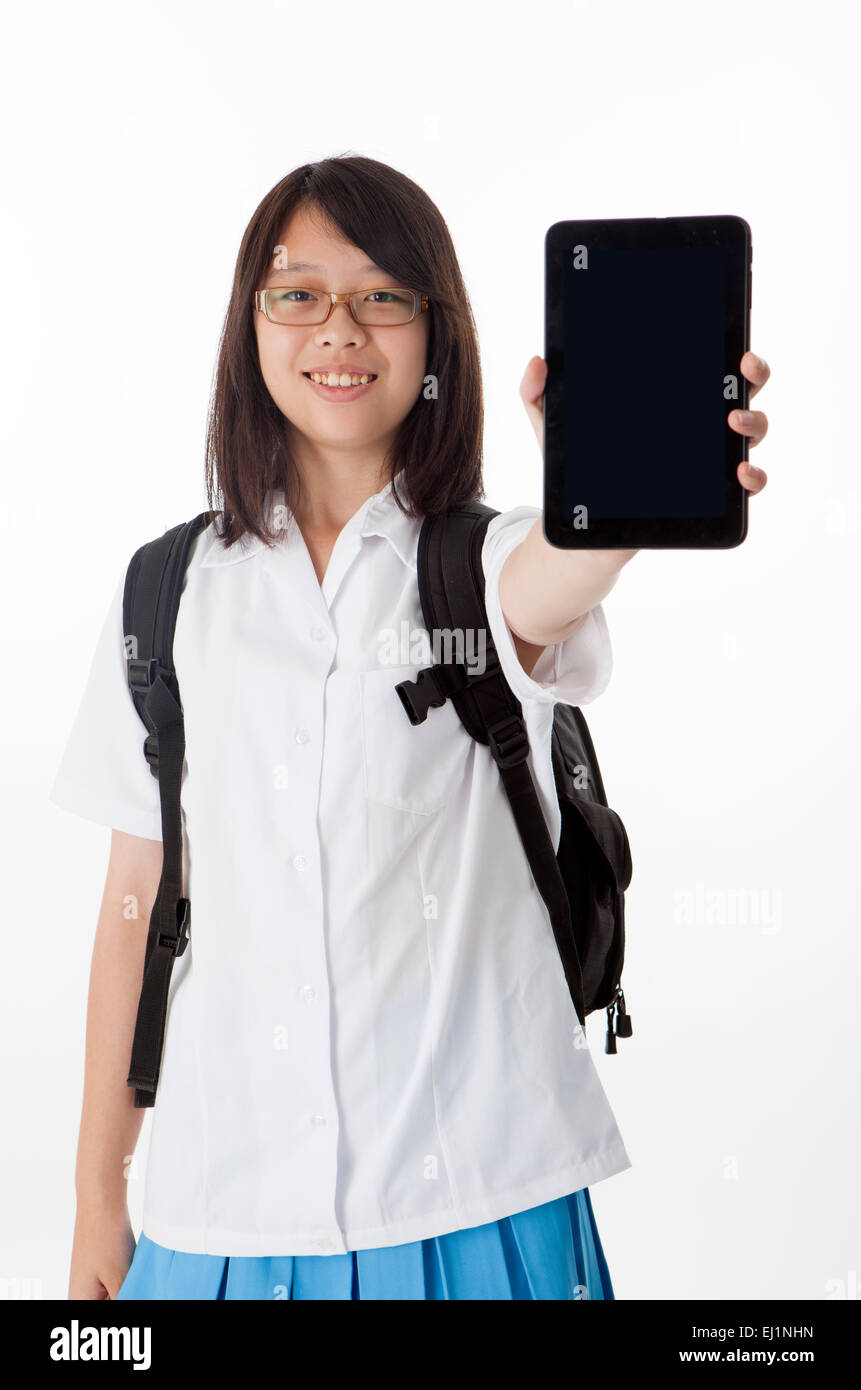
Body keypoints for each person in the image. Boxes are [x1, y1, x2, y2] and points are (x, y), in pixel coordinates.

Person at [51, 155, 770, 1301]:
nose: (340, 328)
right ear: (251, 325)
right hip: (219, 1209)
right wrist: (98, 1202)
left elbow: (560, 577)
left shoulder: (479, 564)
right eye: (299, 294)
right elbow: (132, 913)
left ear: (439, 336)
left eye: (384, 295)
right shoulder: (167, 593)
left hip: (476, 1204)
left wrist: (623, 468)